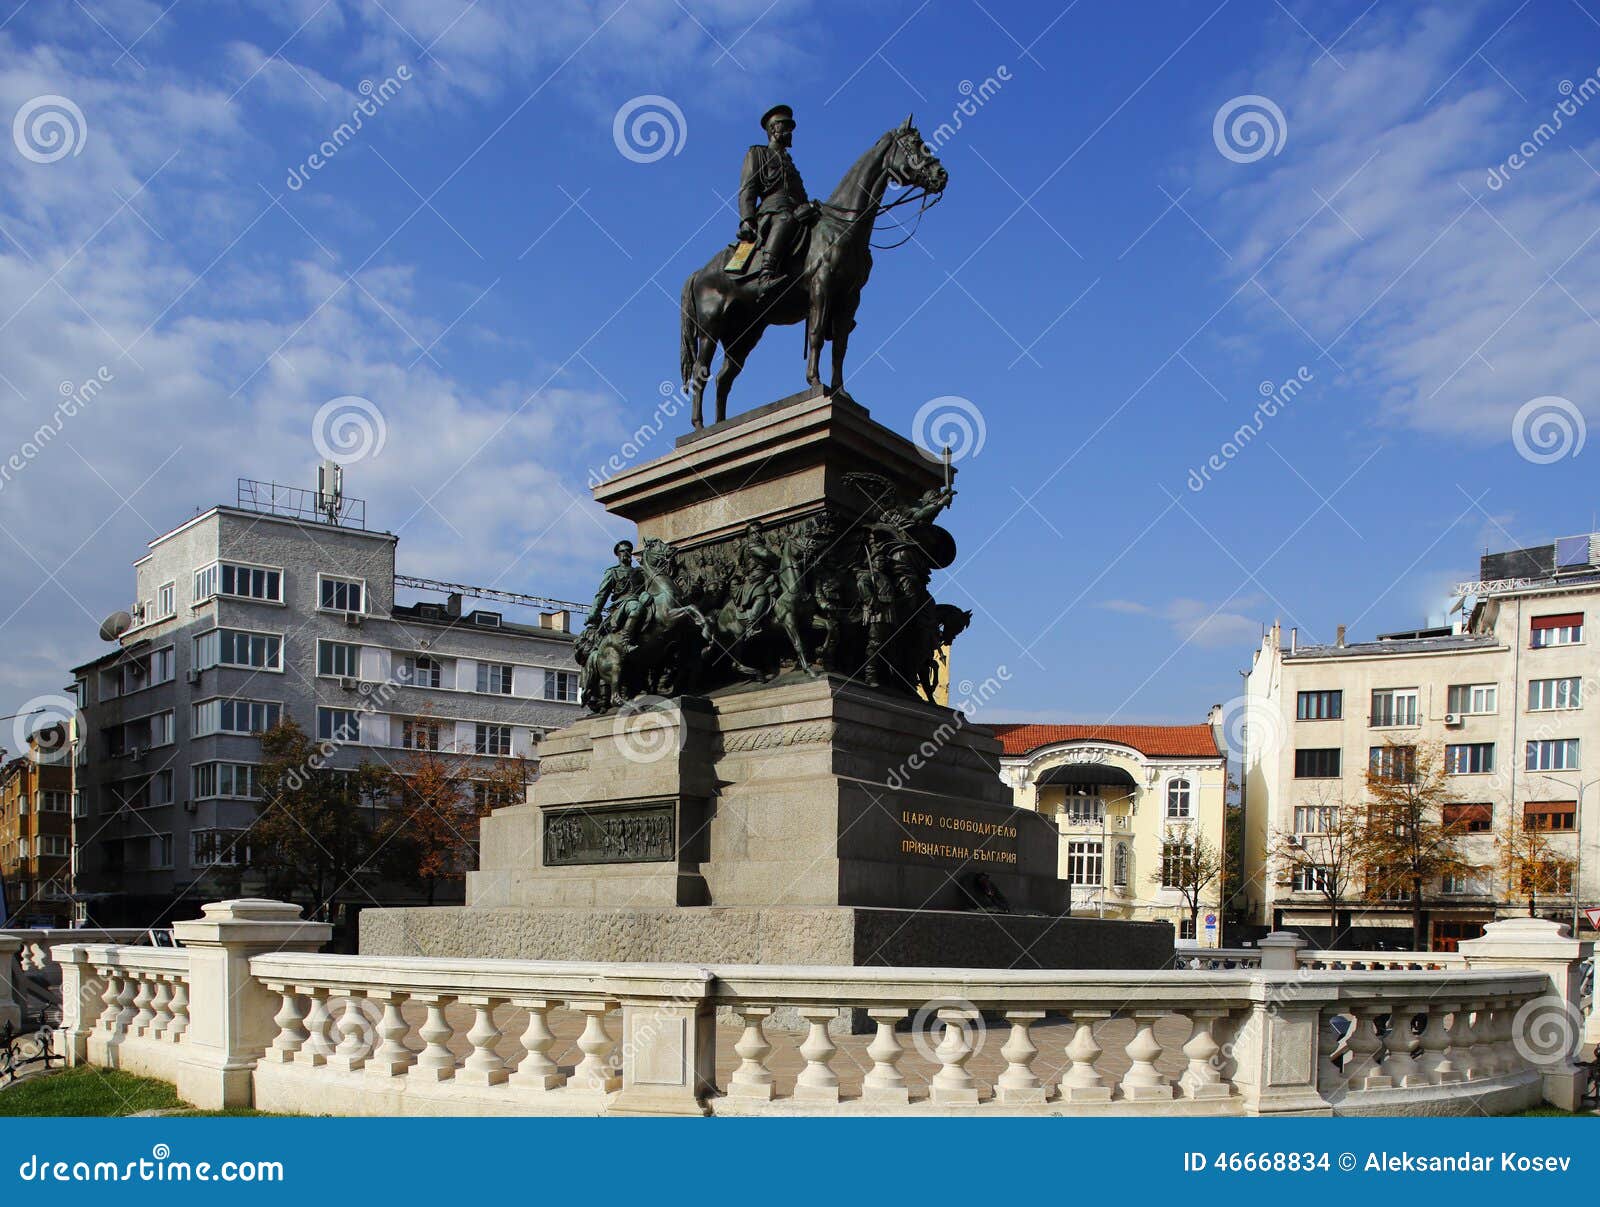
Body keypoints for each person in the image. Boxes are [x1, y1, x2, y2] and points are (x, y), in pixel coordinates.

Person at [737, 104, 819, 293]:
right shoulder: (757, 153)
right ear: (773, 129)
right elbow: (747, 189)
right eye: (786, 126)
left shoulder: (791, 164)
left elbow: (800, 194)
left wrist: (810, 207)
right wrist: (746, 220)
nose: (790, 132)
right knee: (785, 219)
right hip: (773, 211)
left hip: (796, 209)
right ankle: (766, 274)